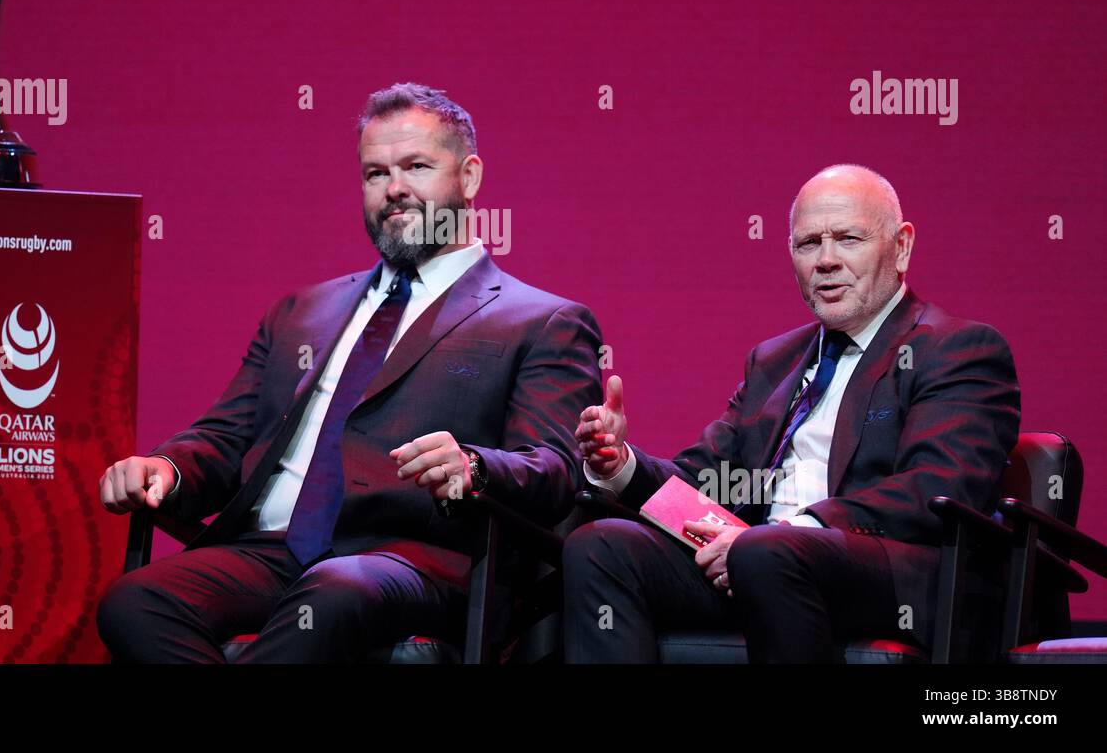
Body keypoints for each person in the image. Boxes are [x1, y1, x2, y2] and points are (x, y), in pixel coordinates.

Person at [97, 82, 602, 662]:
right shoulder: (302, 311)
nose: (394, 190)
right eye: (374, 173)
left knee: (335, 592)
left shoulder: (542, 320)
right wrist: (165, 467)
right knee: (135, 602)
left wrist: (473, 465)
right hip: (275, 552)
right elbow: (228, 437)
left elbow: (555, 469)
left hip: (409, 559)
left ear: (468, 178)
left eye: (416, 167)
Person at [564, 164, 1020, 662]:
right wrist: (619, 462)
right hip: (759, 567)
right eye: (808, 244)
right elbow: (708, 484)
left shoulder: (955, 347)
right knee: (601, 546)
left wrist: (788, 532)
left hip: (893, 577)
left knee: (765, 553)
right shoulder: (773, 361)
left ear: (902, 246)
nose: (826, 261)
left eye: (848, 239)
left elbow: (937, 488)